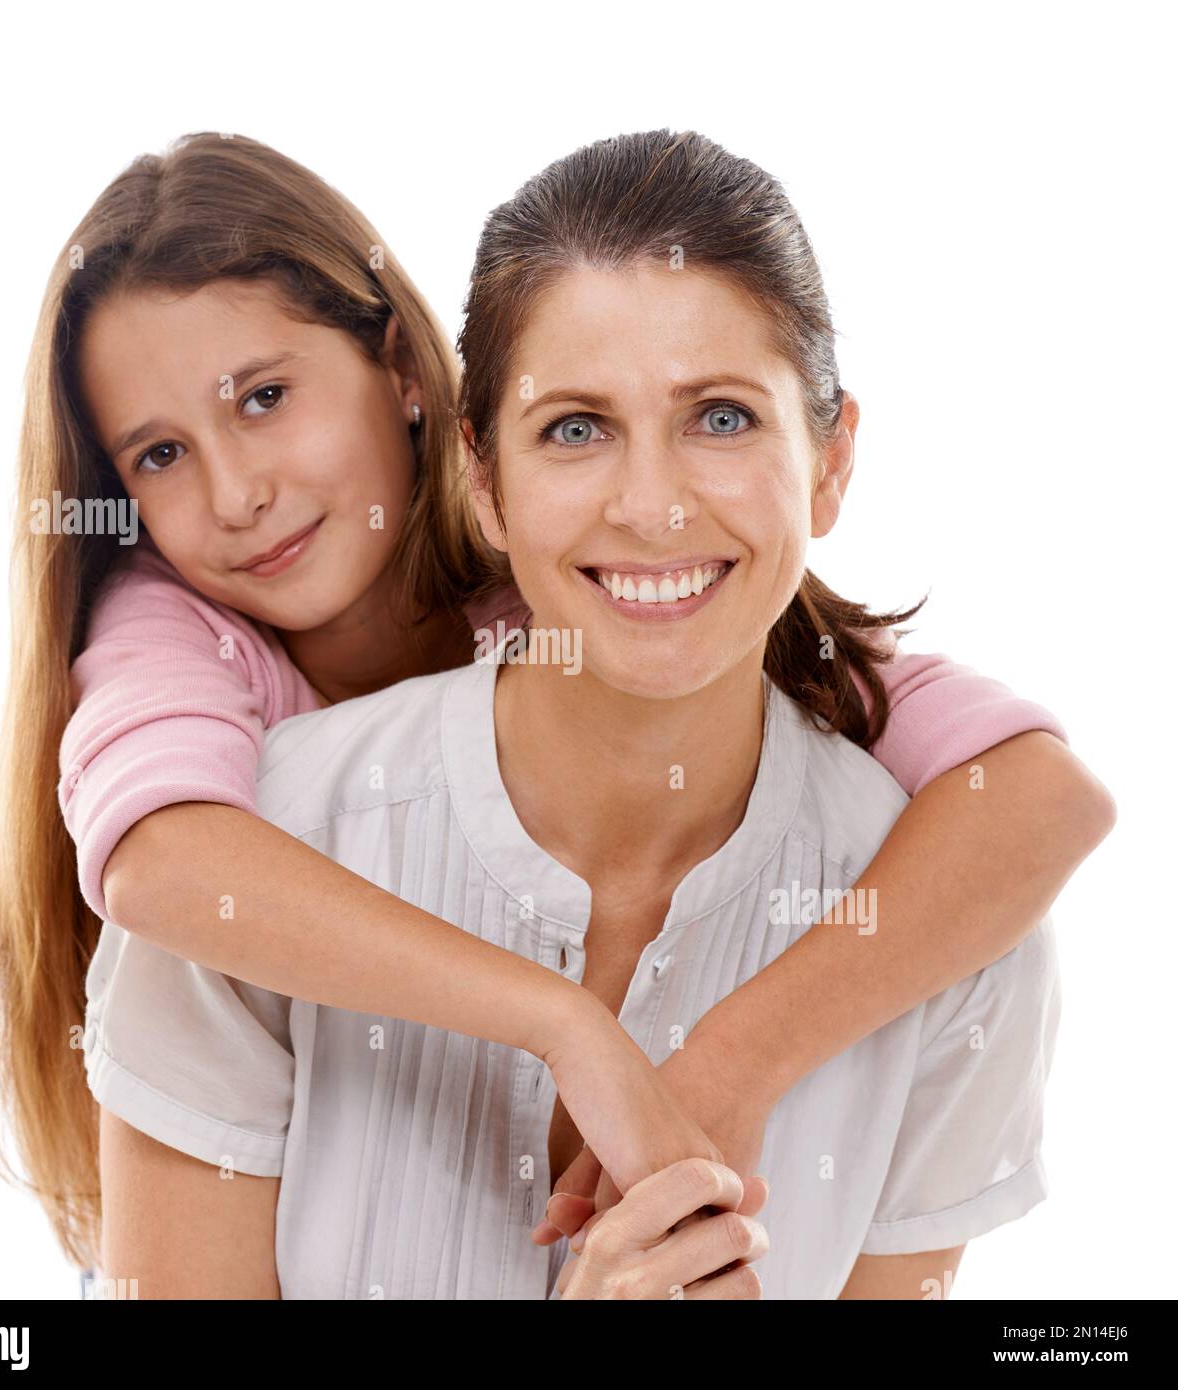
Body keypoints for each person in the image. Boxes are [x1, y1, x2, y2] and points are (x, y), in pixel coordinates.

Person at [82, 130, 1084, 1298]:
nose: (652, 509)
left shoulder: (947, 918)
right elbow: (158, 862)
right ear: (486, 476)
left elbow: (1042, 792)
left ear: (830, 459)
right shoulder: (238, 838)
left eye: (719, 416)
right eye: (575, 427)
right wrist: (568, 1025)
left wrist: (727, 1063)